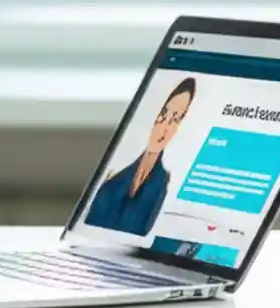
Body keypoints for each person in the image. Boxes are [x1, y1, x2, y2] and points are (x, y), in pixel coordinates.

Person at [83, 77, 197, 237]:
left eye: (175, 119)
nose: (165, 126)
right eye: (164, 114)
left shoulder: (162, 184)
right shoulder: (116, 168)